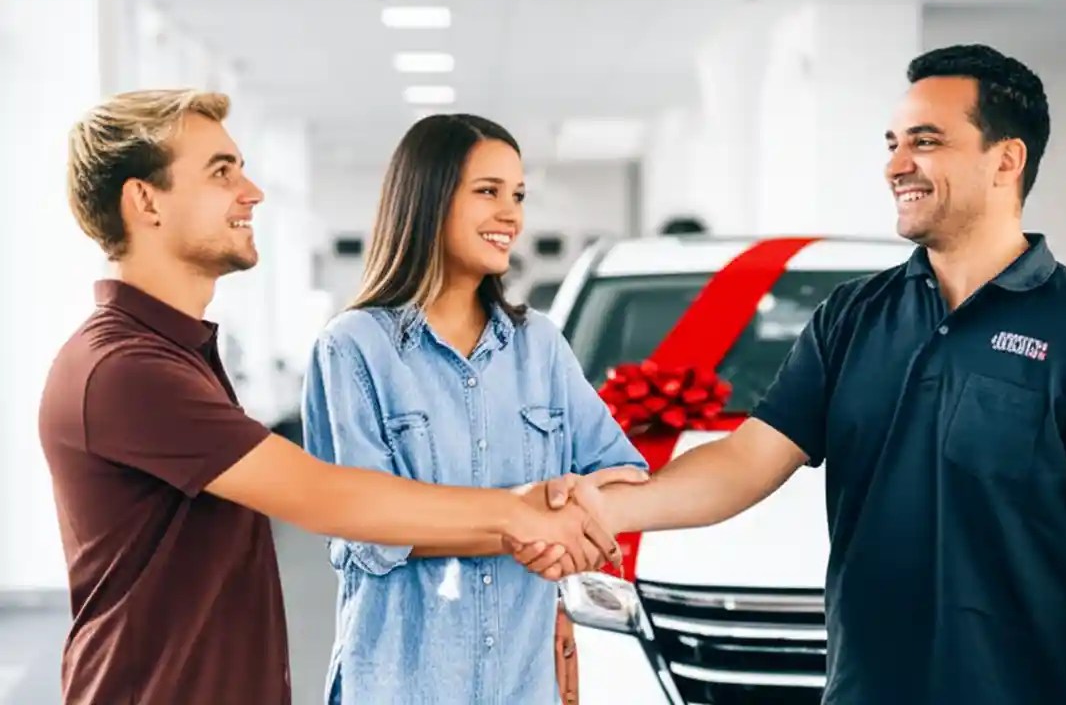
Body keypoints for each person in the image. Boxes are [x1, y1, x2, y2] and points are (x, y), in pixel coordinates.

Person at [528, 44, 1066, 705]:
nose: (897, 165)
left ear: (1006, 159)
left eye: (925, 142)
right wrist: (605, 504)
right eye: (892, 143)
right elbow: (747, 461)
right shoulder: (853, 317)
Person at [37, 89, 630, 705]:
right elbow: (330, 497)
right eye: (221, 171)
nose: (252, 191)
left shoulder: (175, 354)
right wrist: (523, 513)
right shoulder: (127, 370)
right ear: (144, 200)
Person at [299, 113, 648, 705]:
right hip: (399, 686)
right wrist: (533, 520)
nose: (511, 215)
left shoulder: (540, 345)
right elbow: (371, 533)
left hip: (523, 683)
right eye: (487, 192)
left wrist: (567, 521)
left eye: (517, 195)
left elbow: (623, 476)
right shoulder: (354, 347)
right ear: (428, 199)